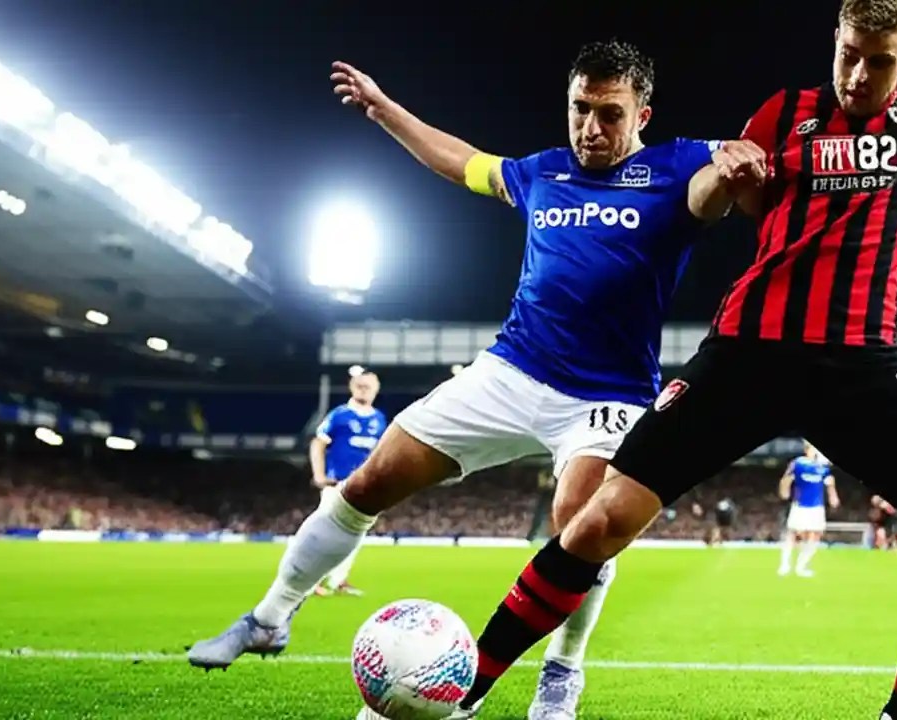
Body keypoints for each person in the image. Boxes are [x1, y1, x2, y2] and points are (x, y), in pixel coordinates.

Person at [453, 2, 897, 719]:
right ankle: (466, 690)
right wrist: (729, 174)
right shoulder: (783, 112)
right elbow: (732, 205)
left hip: (862, 362)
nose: (858, 75)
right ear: (835, 41)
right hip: (747, 353)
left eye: (879, 61)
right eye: (849, 53)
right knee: (598, 522)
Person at [186, 39, 766, 720]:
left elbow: (724, 184)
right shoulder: (541, 172)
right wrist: (385, 110)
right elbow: (459, 160)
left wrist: (736, 166)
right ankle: (268, 618)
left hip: (607, 395)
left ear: (642, 113)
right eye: (580, 109)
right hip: (512, 370)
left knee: (580, 524)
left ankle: (562, 669)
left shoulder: (678, 164)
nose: (590, 127)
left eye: (609, 114)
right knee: (366, 484)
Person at [308, 370, 387, 597]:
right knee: (326, 532)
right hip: (337, 485)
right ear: (352, 387)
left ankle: (338, 581)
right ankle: (311, 581)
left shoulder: (379, 419)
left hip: (365, 487)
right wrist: (319, 474)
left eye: (368, 386)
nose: (364, 389)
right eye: (360, 385)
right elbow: (318, 444)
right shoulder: (339, 415)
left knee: (355, 536)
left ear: (376, 389)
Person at [778, 443, 840, 576]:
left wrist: (833, 496)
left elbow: (829, 482)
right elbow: (786, 478)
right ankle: (785, 564)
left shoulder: (823, 467)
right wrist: (784, 491)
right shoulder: (798, 463)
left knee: (815, 535)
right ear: (807, 450)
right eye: (813, 449)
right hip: (799, 505)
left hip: (817, 507)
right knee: (792, 534)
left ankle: (801, 566)